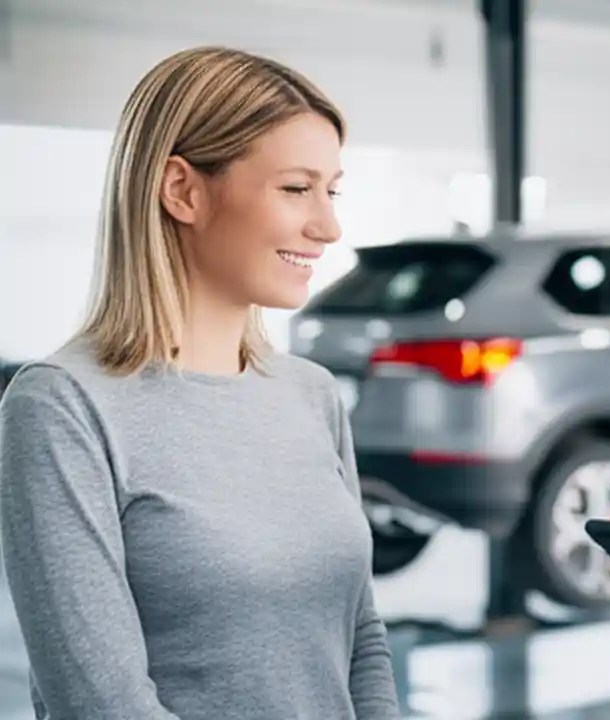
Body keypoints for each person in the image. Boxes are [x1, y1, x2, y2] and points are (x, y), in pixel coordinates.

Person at [0, 47, 400, 719]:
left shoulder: (312, 395)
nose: (328, 226)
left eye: (331, 191)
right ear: (182, 190)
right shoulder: (61, 407)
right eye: (296, 189)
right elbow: (103, 705)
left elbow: (360, 636)